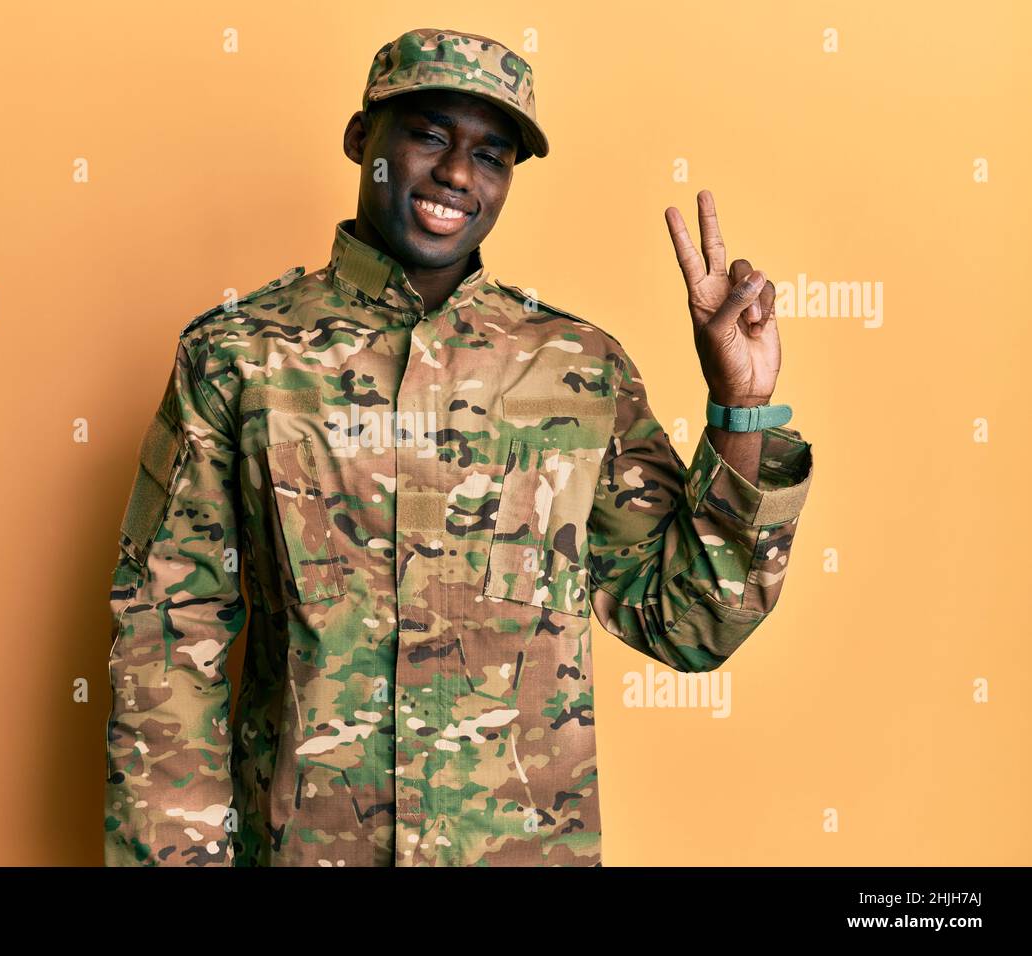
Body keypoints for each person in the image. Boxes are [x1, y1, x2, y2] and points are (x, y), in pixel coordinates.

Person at [104, 27, 814, 867]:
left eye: (492, 154)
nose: (456, 175)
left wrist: (741, 408)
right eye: (429, 134)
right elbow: (168, 639)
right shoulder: (239, 356)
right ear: (361, 137)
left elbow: (688, 622)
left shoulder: (580, 373)